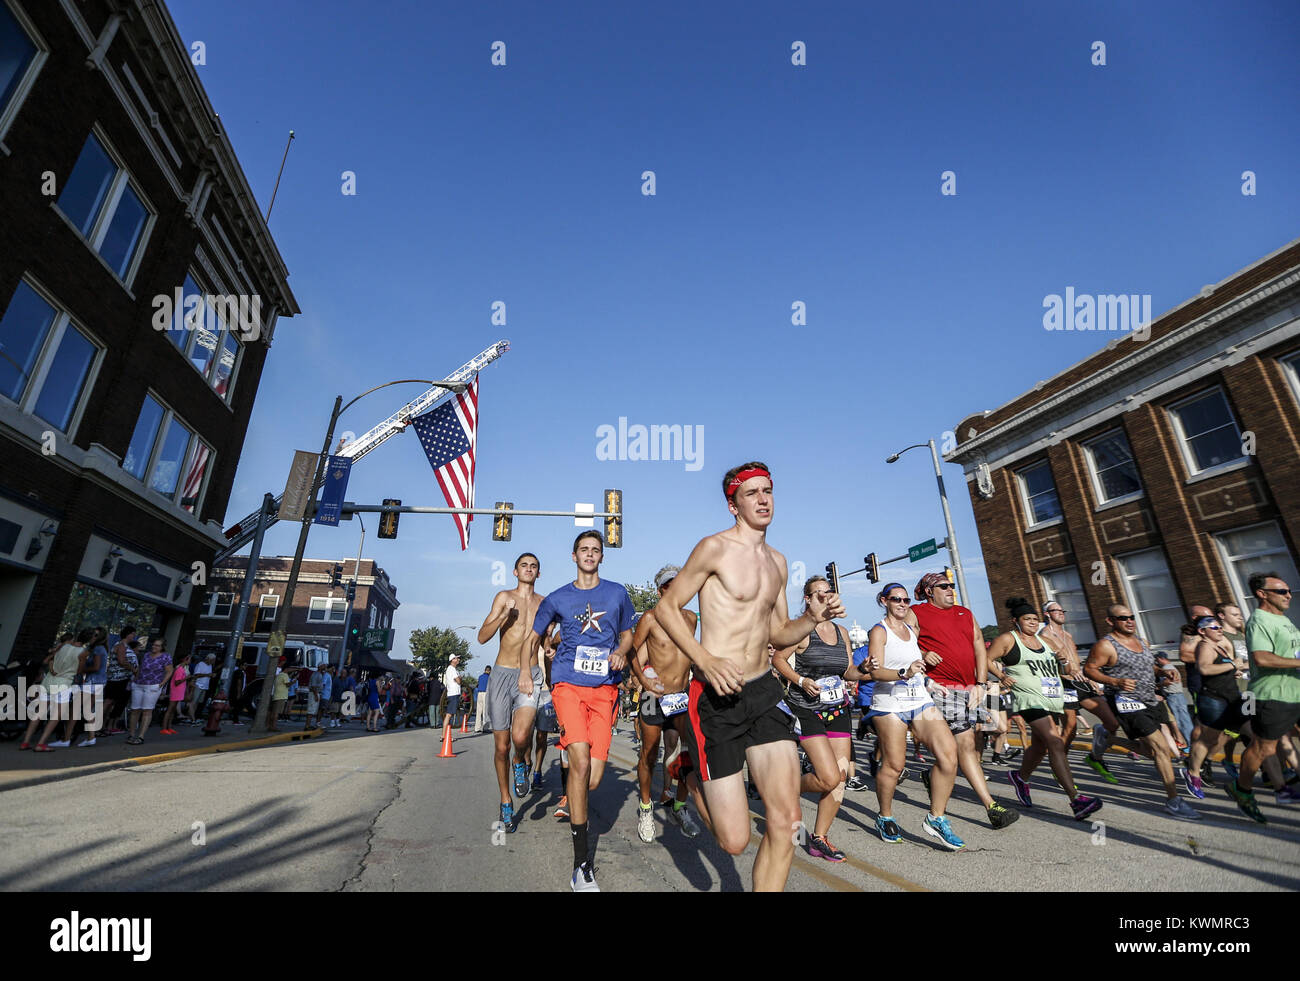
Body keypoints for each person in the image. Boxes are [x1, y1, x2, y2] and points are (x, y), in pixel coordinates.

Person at [653, 462, 843, 892]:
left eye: (768, 491)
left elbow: (777, 633)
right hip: (715, 696)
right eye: (752, 493)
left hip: (762, 692)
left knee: (787, 821)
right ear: (733, 505)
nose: (763, 499)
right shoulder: (713, 548)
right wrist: (705, 659)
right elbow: (666, 609)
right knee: (735, 841)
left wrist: (812, 619)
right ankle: (688, 777)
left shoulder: (778, 562)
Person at [523, 530, 635, 891]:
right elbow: (535, 636)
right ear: (573, 556)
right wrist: (530, 668)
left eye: (595, 550)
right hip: (568, 685)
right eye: (583, 550)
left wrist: (622, 651)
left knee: (594, 779)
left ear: (601, 557)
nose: (589, 554)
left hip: (605, 689)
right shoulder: (558, 597)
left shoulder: (617, 593)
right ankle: (581, 866)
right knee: (582, 762)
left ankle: (570, 791)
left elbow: (629, 632)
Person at [908, 572, 1019, 830]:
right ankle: (990, 806)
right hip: (941, 689)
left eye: (952, 586)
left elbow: (979, 646)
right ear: (929, 591)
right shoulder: (917, 613)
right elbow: (904, 643)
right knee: (966, 744)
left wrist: (980, 684)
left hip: (969, 689)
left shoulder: (964, 613)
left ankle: (935, 776)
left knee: (959, 748)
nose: (950, 590)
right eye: (944, 586)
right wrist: (924, 653)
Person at [771, 575, 871, 860]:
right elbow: (778, 659)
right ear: (809, 599)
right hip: (806, 709)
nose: (827, 596)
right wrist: (801, 680)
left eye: (830, 592)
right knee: (828, 777)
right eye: (820, 593)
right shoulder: (802, 630)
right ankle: (788, 788)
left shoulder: (840, 631)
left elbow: (847, 671)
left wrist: (863, 668)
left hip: (838, 709)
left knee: (839, 779)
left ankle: (820, 838)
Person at [864, 583, 966, 848]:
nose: (902, 603)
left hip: (919, 699)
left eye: (906, 599)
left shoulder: (910, 630)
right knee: (894, 766)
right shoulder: (879, 631)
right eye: (896, 599)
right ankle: (885, 815)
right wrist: (904, 674)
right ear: (884, 600)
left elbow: (916, 667)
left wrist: (929, 682)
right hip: (889, 703)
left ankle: (937, 818)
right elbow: (875, 673)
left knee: (948, 755)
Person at [1083, 606, 1201, 821]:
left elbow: (1148, 667)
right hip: (1127, 702)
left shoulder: (1142, 641)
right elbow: (1089, 669)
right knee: (1162, 748)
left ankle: (1107, 739)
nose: (1129, 621)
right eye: (1123, 618)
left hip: (1151, 700)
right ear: (1111, 621)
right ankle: (1174, 801)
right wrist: (1115, 681)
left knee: (1152, 753)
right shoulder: (1106, 645)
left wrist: (1162, 672)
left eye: (1131, 617)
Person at [988, 599, 1102, 820]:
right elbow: (985, 658)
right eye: (1026, 619)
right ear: (1016, 621)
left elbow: (1066, 669)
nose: (1032, 623)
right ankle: (1076, 799)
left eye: (1034, 619)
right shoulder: (1008, 639)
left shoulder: (1046, 641)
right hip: (1028, 699)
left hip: (1051, 700)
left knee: (1040, 746)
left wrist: (1062, 661)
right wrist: (1002, 676)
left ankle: (1021, 777)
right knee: (1055, 741)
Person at [628, 564, 710, 845]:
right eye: (667, 585)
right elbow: (632, 654)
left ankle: (678, 806)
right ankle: (647, 808)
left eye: (678, 584)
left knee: (685, 754)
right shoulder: (650, 618)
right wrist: (644, 681)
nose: (673, 589)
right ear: (660, 589)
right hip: (654, 698)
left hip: (681, 698)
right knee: (649, 754)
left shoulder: (690, 618)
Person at [1226, 572, 1300, 823]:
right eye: (1281, 591)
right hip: (1272, 695)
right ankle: (1242, 789)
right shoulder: (1259, 620)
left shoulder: (1284, 619)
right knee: (1262, 748)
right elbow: (1262, 658)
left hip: (1294, 691)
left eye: (1289, 591)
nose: (1288, 595)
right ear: (1262, 594)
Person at [22, 628, 93, 751]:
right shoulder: (83, 652)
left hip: (49, 680)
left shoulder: (64, 646)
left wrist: (53, 670)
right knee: (56, 715)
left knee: (39, 712)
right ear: (90, 640)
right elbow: (79, 671)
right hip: (63, 683)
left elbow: (51, 659)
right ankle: (41, 744)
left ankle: (25, 742)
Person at [127, 637, 174, 746]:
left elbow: (169, 671)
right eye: (154, 644)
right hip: (139, 684)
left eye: (157, 645)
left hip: (153, 685)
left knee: (147, 711)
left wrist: (162, 683)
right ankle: (131, 734)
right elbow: (140, 668)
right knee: (135, 709)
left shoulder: (165, 657)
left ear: (162, 648)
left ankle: (141, 736)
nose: (154, 647)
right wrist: (135, 679)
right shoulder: (147, 655)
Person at [103, 626, 137, 736]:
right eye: (133, 634)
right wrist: (133, 668)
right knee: (108, 702)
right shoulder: (121, 645)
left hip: (119, 679)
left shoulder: (122, 645)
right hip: (116, 679)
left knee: (111, 703)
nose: (134, 637)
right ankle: (96, 725)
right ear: (128, 634)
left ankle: (103, 726)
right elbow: (122, 661)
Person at [160, 653, 191, 734]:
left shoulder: (182, 668)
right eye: (189, 659)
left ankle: (169, 727)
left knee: (173, 710)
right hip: (176, 691)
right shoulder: (180, 669)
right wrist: (186, 678)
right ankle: (164, 728)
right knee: (170, 709)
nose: (190, 661)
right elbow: (177, 682)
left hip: (179, 691)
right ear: (185, 659)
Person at [441, 655, 463, 744]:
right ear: (452, 660)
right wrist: (460, 679)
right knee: (449, 715)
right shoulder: (452, 669)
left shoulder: (452, 669)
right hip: (453, 694)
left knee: (449, 715)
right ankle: (444, 735)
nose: (458, 660)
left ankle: (444, 735)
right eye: (456, 658)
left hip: (453, 694)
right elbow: (458, 681)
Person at [189, 654, 214, 722]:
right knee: (193, 702)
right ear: (208, 659)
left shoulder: (210, 665)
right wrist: (207, 675)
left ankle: (193, 717)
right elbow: (196, 674)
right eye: (212, 660)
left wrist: (211, 675)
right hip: (198, 685)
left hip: (205, 687)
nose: (213, 662)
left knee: (198, 703)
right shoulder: (200, 664)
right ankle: (191, 718)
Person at [473, 666, 492, 733]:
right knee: (485, 711)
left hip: (479, 694)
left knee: (478, 711)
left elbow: (477, 685)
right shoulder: (489, 677)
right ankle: (485, 727)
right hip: (485, 694)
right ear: (489, 671)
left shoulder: (480, 677)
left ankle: (477, 728)